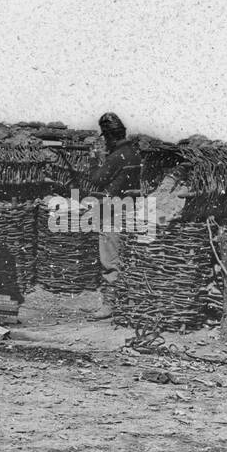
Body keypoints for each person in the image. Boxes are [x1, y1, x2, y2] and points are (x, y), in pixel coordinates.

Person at [88, 112, 143, 320]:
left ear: (109, 136)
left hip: (112, 212)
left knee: (109, 259)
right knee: (122, 257)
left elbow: (97, 179)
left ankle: (109, 305)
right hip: (128, 210)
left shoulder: (117, 156)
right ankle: (120, 302)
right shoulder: (133, 153)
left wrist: (94, 160)